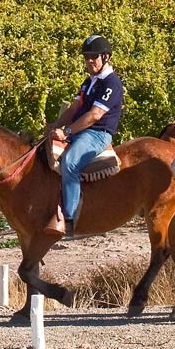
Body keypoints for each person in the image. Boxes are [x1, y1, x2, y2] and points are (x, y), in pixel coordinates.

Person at [48, 35, 123, 237]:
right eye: (86, 57)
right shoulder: (88, 82)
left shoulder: (111, 83)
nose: (89, 61)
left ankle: (70, 219)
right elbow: (74, 108)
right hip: (80, 130)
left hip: (97, 133)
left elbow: (95, 115)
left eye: (93, 57)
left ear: (106, 57)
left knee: (70, 163)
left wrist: (66, 131)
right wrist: (55, 126)